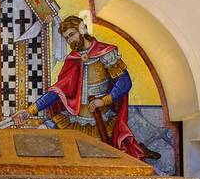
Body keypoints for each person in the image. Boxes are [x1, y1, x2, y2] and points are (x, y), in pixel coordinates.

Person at [33, 15, 159, 160]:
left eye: (72, 34)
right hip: (76, 119)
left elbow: (124, 82)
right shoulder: (72, 60)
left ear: (82, 29)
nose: (70, 40)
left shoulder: (105, 53)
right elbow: (57, 91)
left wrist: (103, 101)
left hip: (102, 119)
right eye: (67, 38)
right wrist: (32, 109)